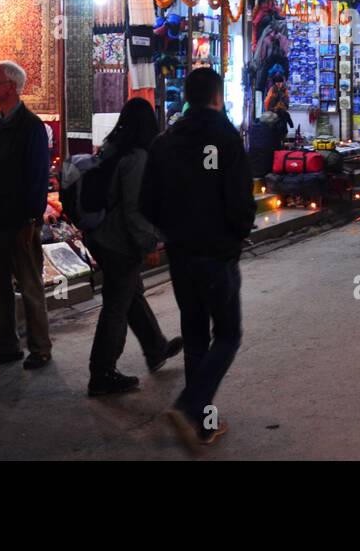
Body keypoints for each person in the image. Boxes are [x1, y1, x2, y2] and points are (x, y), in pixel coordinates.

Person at [142, 67, 255, 453]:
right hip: (216, 253)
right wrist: (237, 232)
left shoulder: (166, 140)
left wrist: (172, 230)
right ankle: (191, 405)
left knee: (194, 336)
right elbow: (240, 200)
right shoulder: (225, 138)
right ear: (217, 97)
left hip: (181, 252)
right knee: (227, 333)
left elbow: (147, 201)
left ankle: (202, 424)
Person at [84, 98, 183, 396]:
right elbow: (134, 209)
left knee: (130, 292)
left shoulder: (111, 147)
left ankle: (156, 348)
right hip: (118, 241)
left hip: (100, 235)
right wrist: (150, 243)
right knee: (117, 304)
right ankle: (102, 372)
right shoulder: (138, 158)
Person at [0, 61, 53, 370]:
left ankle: (40, 347)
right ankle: (6, 346)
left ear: (10, 86)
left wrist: (31, 219)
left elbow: (37, 177)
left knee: (30, 287)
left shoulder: (31, 127)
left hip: (19, 221)